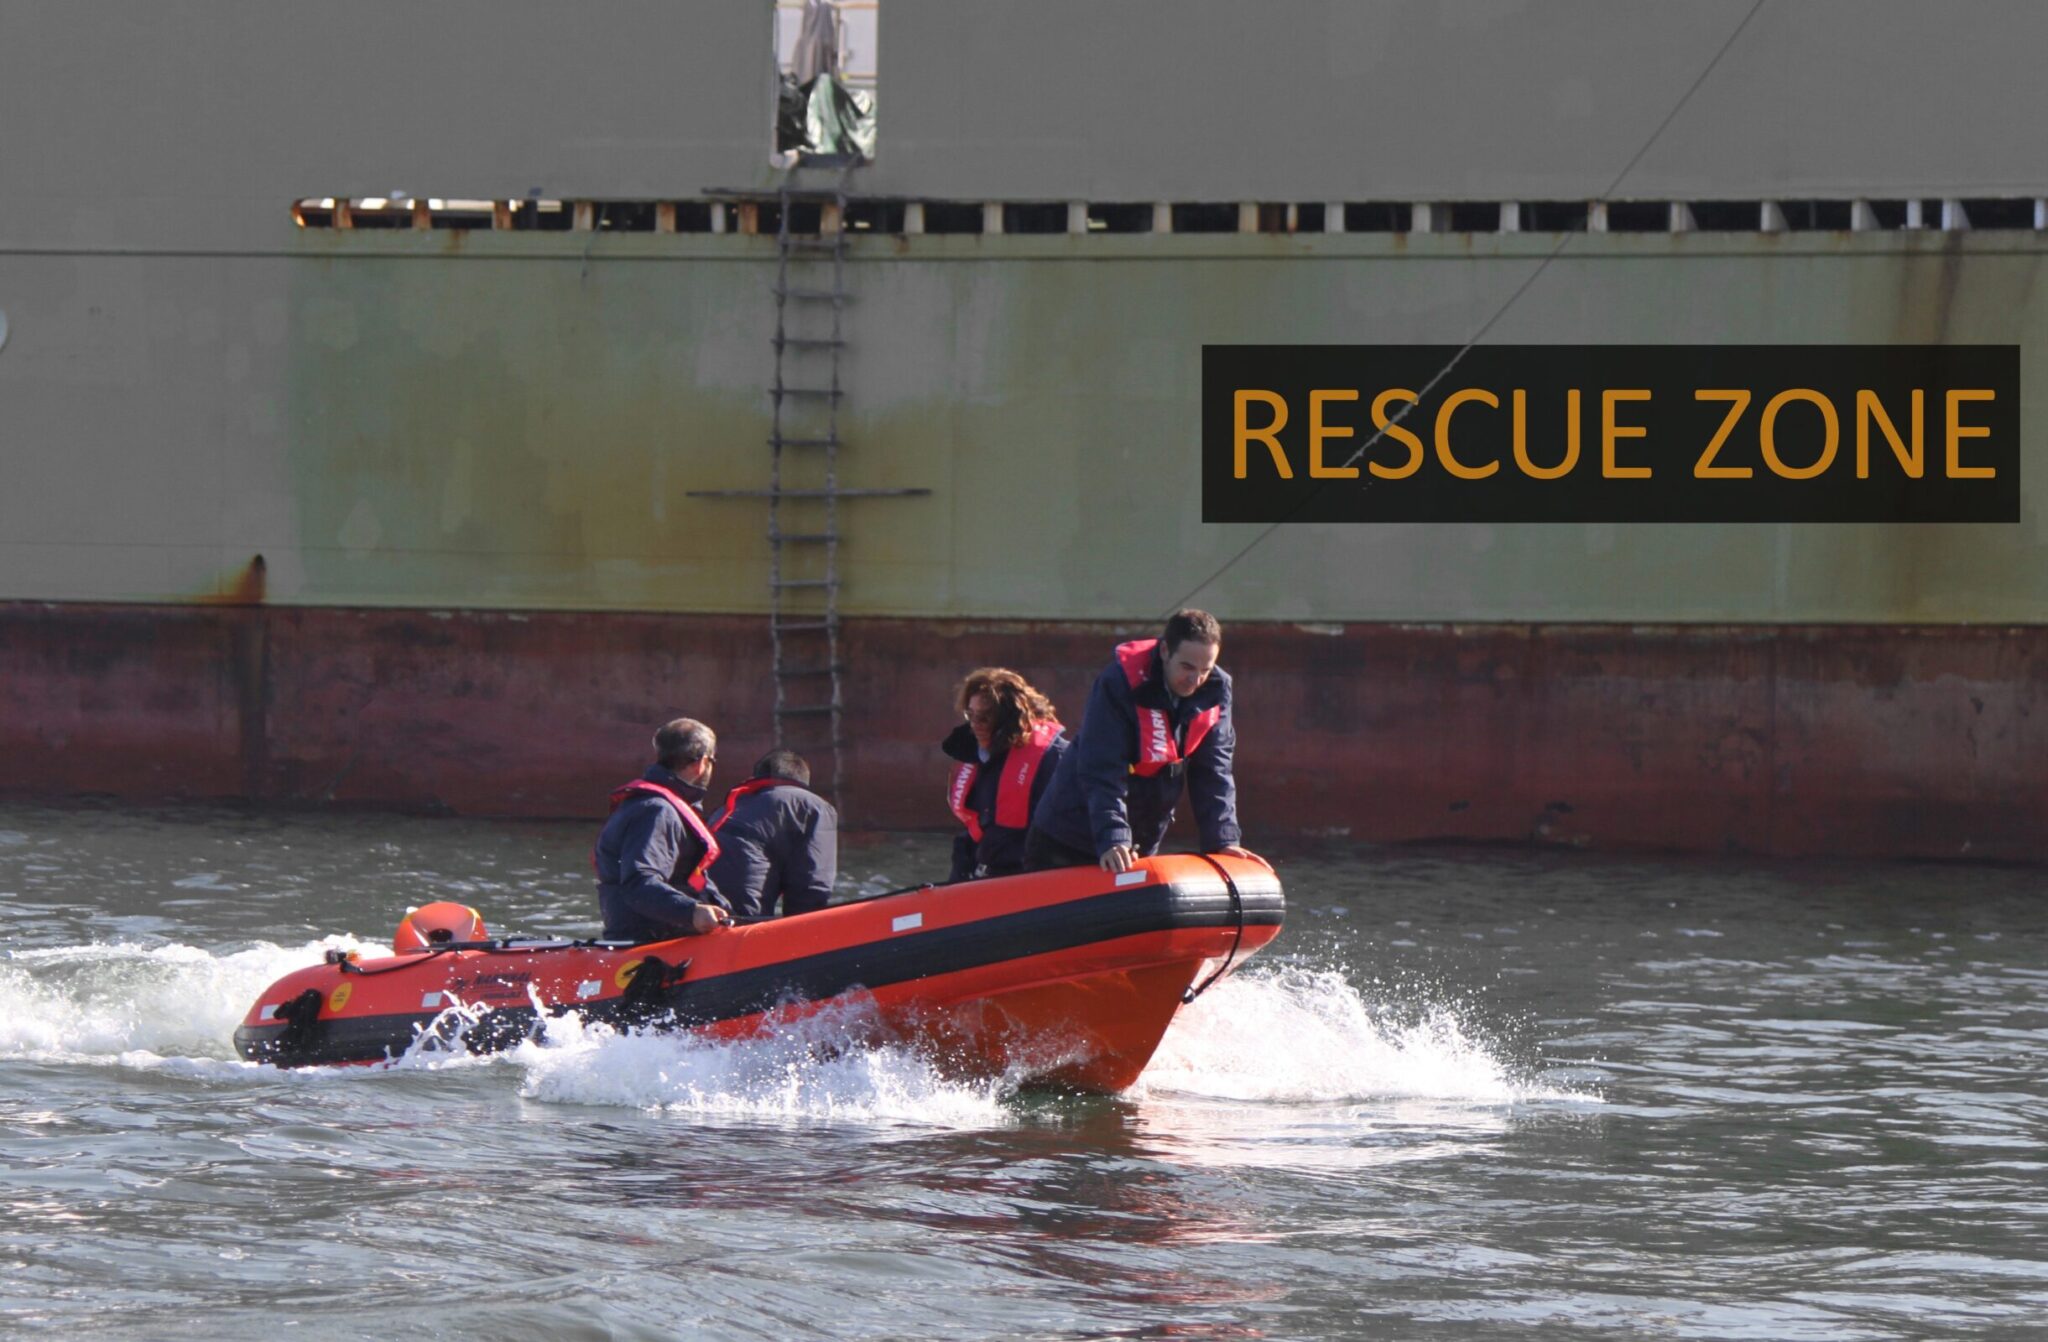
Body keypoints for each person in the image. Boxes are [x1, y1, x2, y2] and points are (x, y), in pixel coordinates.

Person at [1025, 608, 1256, 873]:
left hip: (1142, 833)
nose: (1195, 680)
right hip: (1068, 834)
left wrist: (1223, 841)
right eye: (1187, 667)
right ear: (1165, 651)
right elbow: (1102, 768)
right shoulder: (1118, 683)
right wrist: (1113, 837)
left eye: (1205, 669)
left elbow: (1215, 770)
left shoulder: (1216, 689)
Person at [594, 718, 734, 941]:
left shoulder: (655, 806)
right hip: (649, 941)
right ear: (702, 764)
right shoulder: (656, 811)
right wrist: (690, 912)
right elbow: (639, 883)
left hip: (670, 935)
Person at [941, 668, 1069, 882]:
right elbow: (978, 829)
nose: (975, 725)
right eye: (970, 715)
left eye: (984, 717)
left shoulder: (1055, 757)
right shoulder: (979, 759)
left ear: (1008, 718)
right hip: (992, 874)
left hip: (1035, 874)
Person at [706, 749, 839, 917]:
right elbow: (812, 882)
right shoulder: (813, 806)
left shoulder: (729, 806)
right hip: (744, 904)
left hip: (702, 899)